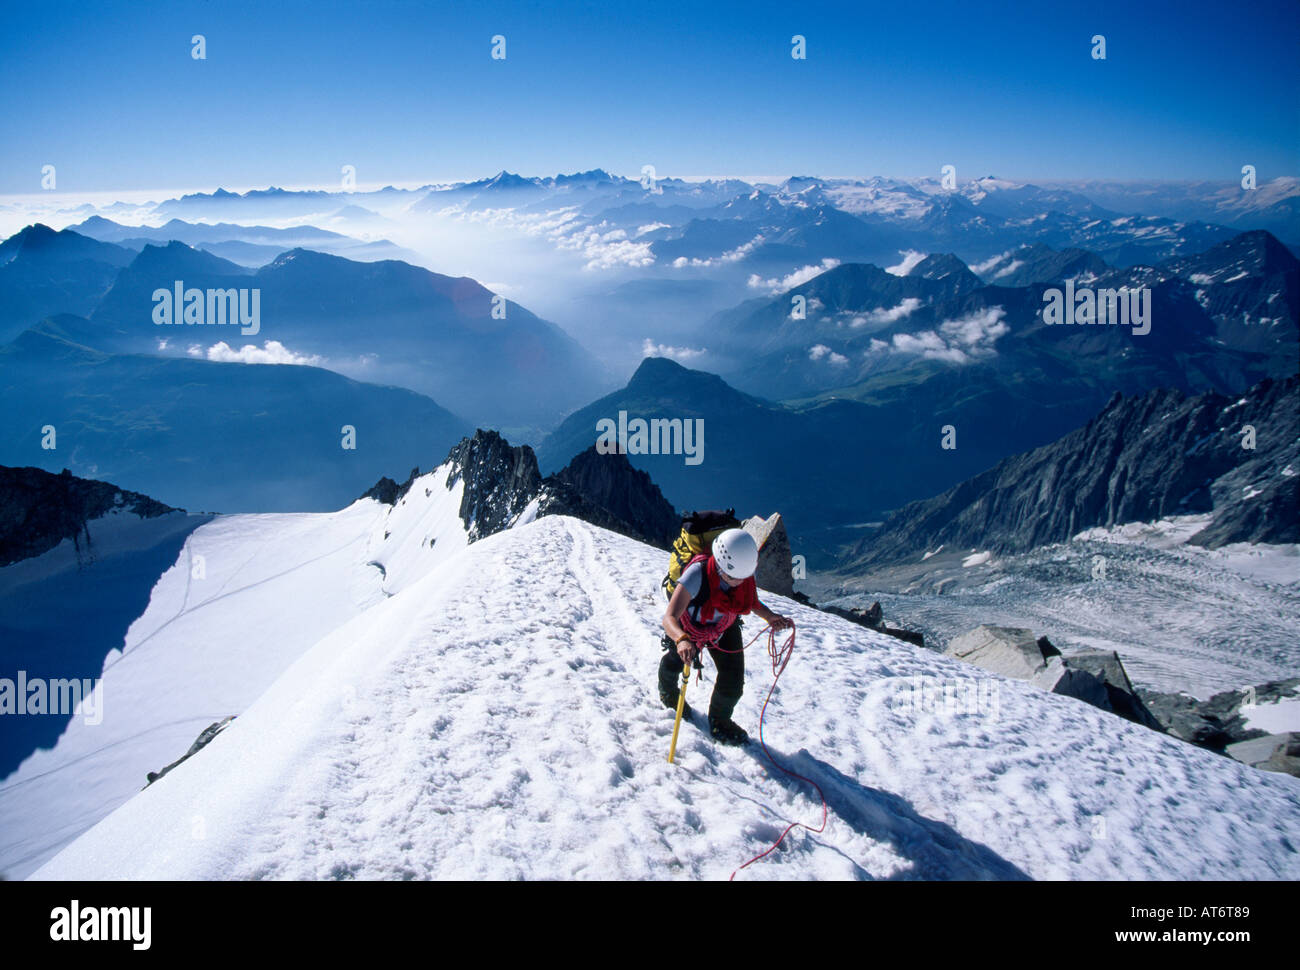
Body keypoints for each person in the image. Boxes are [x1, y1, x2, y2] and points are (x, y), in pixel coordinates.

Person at [659, 527, 792, 745]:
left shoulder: (743, 573)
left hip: (725, 625)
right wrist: (681, 639)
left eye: (742, 578)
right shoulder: (696, 574)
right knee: (675, 662)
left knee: (733, 678)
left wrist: (770, 617)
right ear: (721, 565)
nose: (739, 582)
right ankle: (668, 693)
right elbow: (670, 618)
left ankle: (719, 721)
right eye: (733, 577)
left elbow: (750, 601)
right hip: (690, 627)